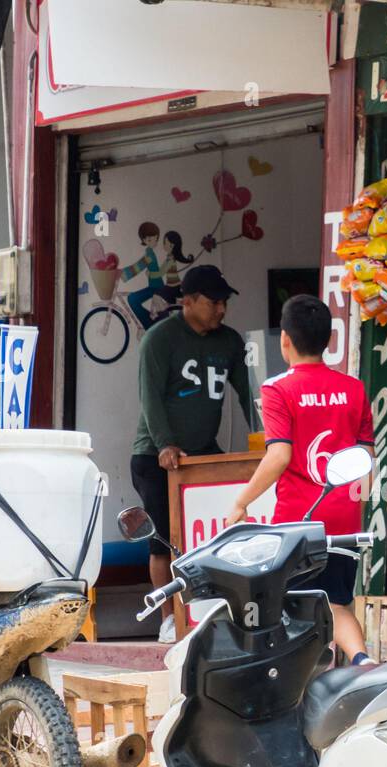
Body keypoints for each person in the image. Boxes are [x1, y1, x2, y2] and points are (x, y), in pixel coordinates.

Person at [227, 295, 375, 665]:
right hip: (344, 518)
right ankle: (360, 661)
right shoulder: (354, 389)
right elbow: (366, 464)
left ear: (285, 340)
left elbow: (279, 455)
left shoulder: (278, 390)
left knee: (291, 604)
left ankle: (304, 679)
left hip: (299, 521)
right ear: (328, 341)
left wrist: (242, 501)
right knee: (335, 601)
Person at [130, 264, 252, 643]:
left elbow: (249, 393)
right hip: (155, 457)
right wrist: (165, 443)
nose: (221, 310)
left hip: (203, 455)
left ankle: (210, 611)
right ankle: (168, 617)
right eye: (213, 302)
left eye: (223, 302)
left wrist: (268, 434)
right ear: (189, 301)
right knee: (164, 539)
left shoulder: (230, 342)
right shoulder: (159, 339)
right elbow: (149, 397)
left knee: (216, 534)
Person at [123, 221, 164, 331]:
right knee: (133, 298)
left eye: (155, 238)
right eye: (149, 239)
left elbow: (139, 266)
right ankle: (151, 322)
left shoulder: (149, 254)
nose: (153, 241)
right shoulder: (149, 252)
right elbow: (141, 266)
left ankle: (150, 324)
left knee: (132, 299)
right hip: (155, 286)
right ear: (144, 241)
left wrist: (123, 274)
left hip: (156, 287)